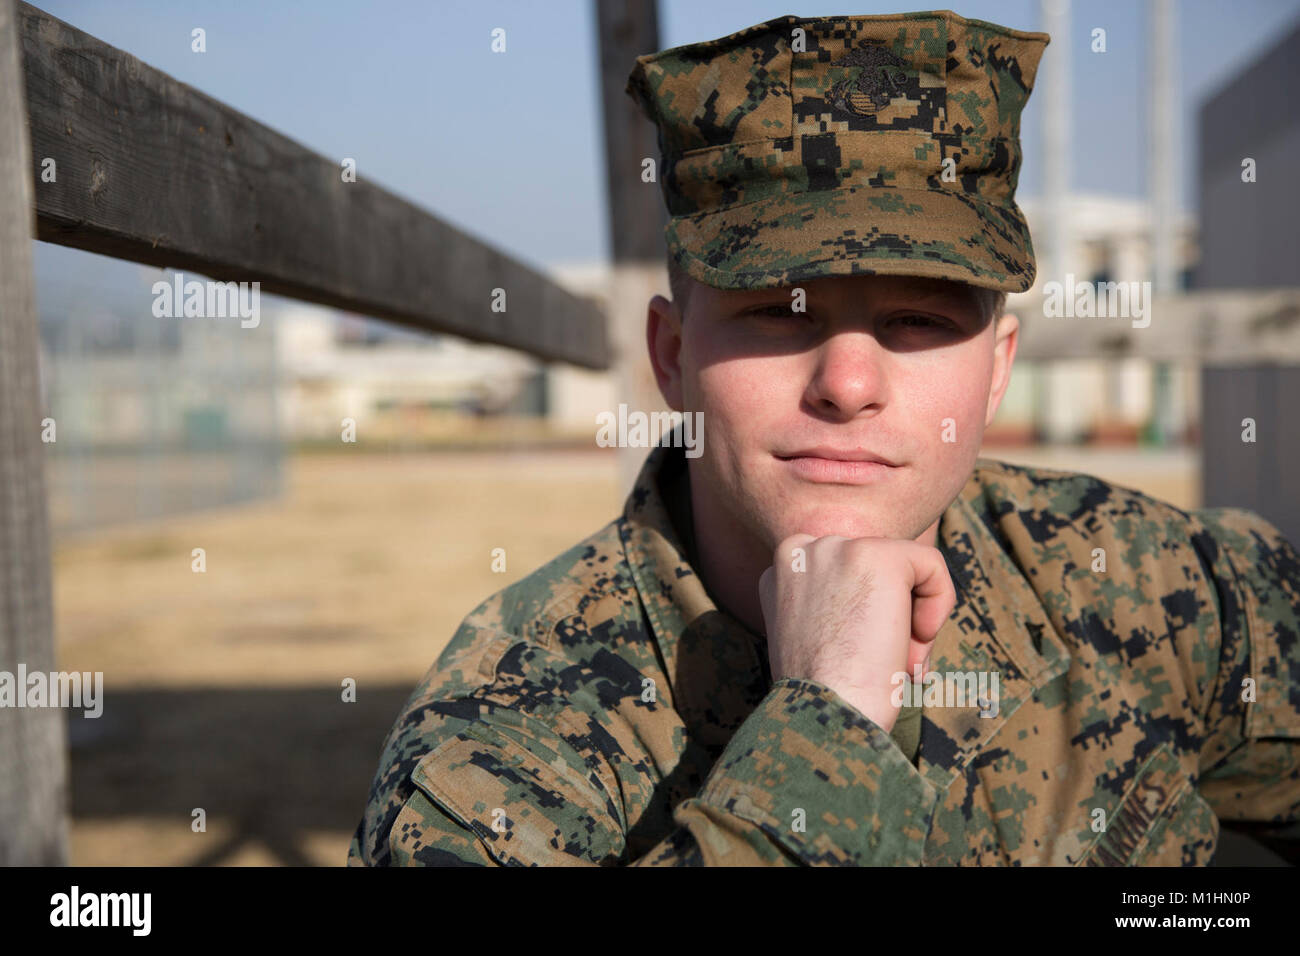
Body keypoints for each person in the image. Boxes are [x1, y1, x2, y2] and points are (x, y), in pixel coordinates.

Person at [348, 10, 1300, 866]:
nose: (847, 384)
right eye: (776, 312)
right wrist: (825, 730)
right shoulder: (505, 739)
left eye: (919, 320)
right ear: (670, 358)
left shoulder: (1132, 581)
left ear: (998, 366)